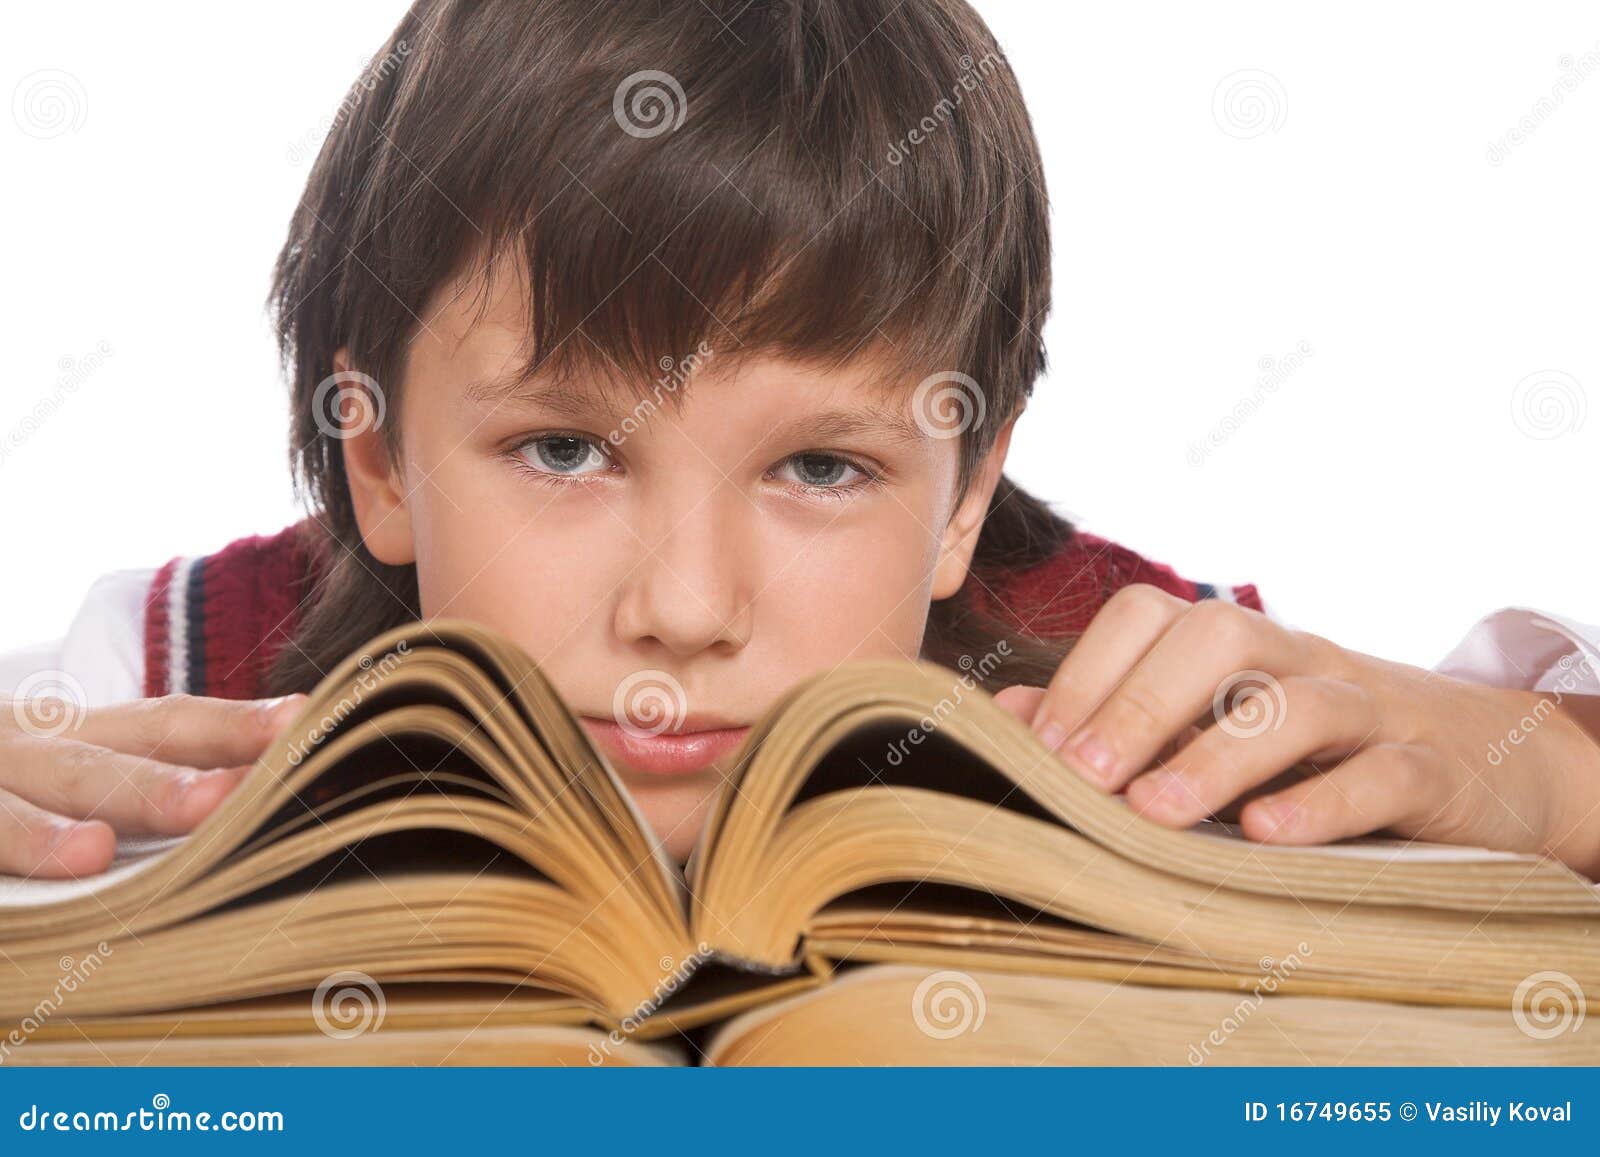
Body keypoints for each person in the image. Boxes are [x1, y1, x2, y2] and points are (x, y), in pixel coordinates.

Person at [3, 0, 1598, 881]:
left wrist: (1547, 789)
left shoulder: (1151, 696)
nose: (684, 611)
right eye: (563, 449)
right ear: (377, 457)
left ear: (968, 490)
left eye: (823, 468)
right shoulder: (170, 680)